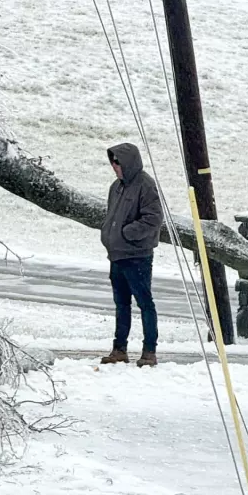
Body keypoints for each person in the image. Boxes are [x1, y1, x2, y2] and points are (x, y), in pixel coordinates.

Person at [100, 142, 163, 367]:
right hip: (117, 255)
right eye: (112, 162)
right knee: (121, 304)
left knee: (145, 303)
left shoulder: (145, 185)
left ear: (128, 162)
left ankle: (149, 351)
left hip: (137, 255)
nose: (114, 167)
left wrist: (128, 233)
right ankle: (119, 349)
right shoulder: (116, 187)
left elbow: (154, 218)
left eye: (117, 162)